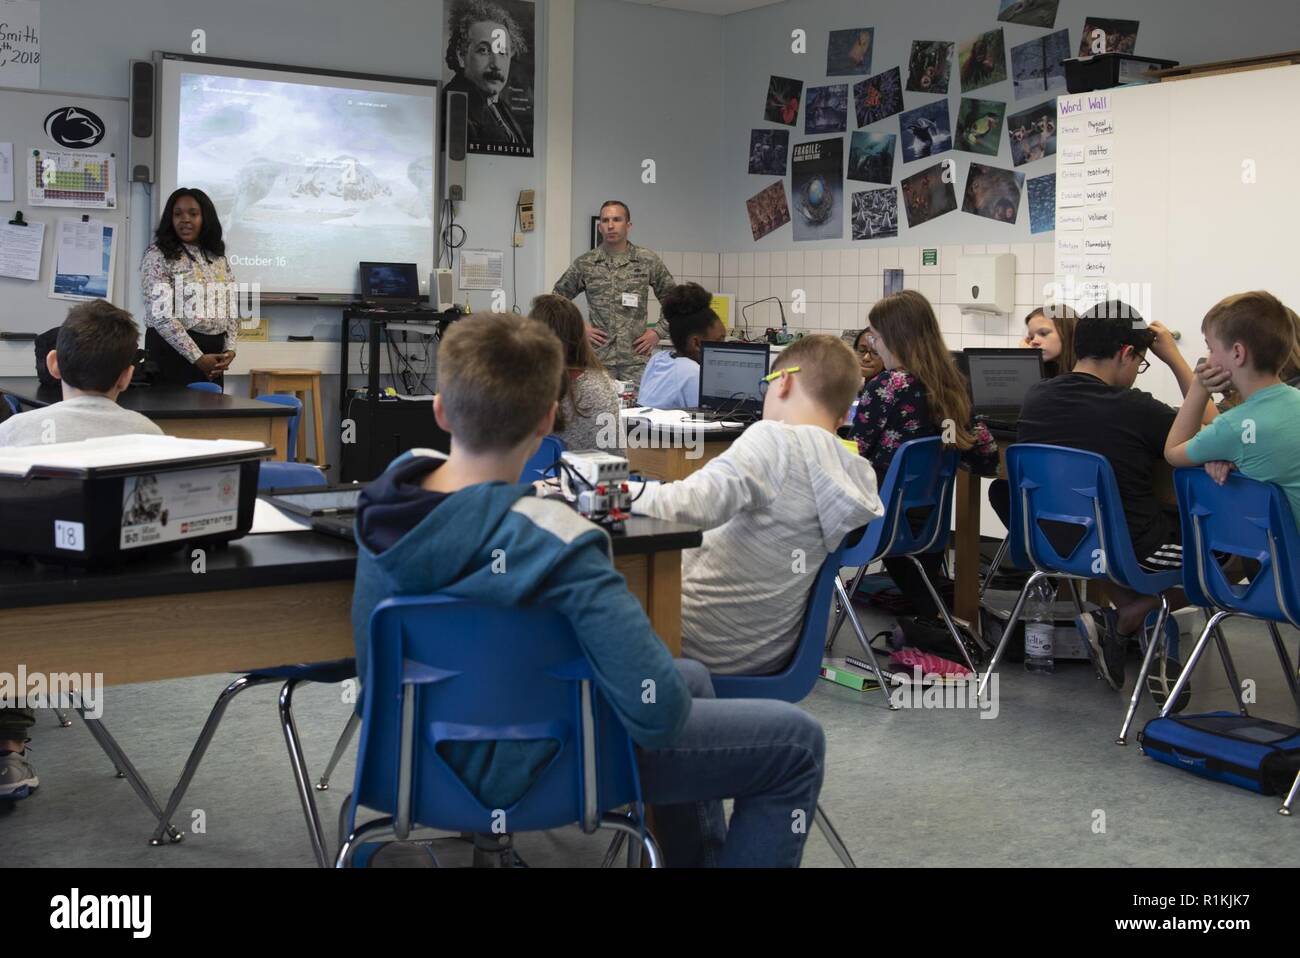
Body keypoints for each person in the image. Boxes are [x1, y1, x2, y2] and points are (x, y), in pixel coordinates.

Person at [350, 313, 826, 867]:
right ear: (550, 420)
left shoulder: (384, 500)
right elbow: (659, 716)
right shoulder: (563, 541)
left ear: (439, 409)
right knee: (797, 743)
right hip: (550, 764)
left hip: (402, 756)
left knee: (690, 675)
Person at [634, 335, 883, 674]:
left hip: (694, 637)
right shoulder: (851, 470)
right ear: (841, 416)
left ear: (784, 382)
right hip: (767, 650)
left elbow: (685, 507)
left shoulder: (774, 439)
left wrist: (593, 490)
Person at [0, 300, 164, 801]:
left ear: (53, 364)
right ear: (127, 375)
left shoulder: (11, 435)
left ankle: (9, 747)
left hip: (26, 621)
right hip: (127, 619)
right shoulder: (152, 437)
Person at [1016, 301, 1215, 690]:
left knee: (1111, 536)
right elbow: (1213, 429)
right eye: (1139, 364)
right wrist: (1174, 358)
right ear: (1126, 353)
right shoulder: (1134, 407)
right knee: (1234, 555)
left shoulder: (1036, 397)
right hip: (1134, 549)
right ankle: (1133, 613)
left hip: (1058, 543)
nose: (1137, 375)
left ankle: (1123, 615)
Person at [848, 291, 999, 636]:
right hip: (924, 524)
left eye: (875, 335)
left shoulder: (887, 385)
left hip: (875, 521)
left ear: (894, 336)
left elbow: (853, 457)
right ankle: (933, 622)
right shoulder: (952, 387)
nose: (872, 344)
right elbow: (986, 457)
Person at [1166, 291, 1300, 530]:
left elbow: (1174, 452)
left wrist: (1199, 388)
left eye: (1210, 348)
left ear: (1237, 353)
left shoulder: (1232, 427)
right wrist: (1235, 460)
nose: (1207, 359)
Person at [552, 200, 676, 383]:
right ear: (600, 227)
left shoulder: (646, 260)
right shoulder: (586, 263)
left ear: (628, 225)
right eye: (605, 220)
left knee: (638, 411)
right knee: (599, 411)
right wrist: (579, 327)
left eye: (617, 219)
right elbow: (556, 299)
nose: (610, 225)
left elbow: (674, 300)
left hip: (636, 361)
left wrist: (657, 332)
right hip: (598, 361)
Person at [988, 304, 1080, 527]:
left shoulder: (1082, 377)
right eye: (1030, 336)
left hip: (1072, 480)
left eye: (1043, 333)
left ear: (1068, 335)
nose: (1034, 341)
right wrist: (1023, 363)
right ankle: (1037, 553)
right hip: (1046, 475)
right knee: (1001, 489)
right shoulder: (1039, 373)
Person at [139, 187, 239, 386]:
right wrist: (198, 358)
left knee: (211, 416)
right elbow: (162, 316)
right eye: (178, 214)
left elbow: (231, 306)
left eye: (193, 213)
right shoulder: (157, 256)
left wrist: (230, 348)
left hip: (214, 357)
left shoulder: (217, 257)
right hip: (172, 354)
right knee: (177, 416)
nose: (185, 219)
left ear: (205, 218)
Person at [527, 293, 621, 452]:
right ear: (579, 335)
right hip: (596, 474)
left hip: (534, 475)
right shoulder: (601, 384)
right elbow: (616, 458)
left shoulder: (525, 389)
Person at [443, 0, 530, 152]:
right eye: (484, 50)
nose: (496, 64)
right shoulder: (452, 107)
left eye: (502, 52)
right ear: (461, 55)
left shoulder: (499, 106)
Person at [636, 283, 726, 410]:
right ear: (696, 343)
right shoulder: (693, 373)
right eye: (719, 340)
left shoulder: (658, 359)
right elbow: (713, 417)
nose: (724, 347)